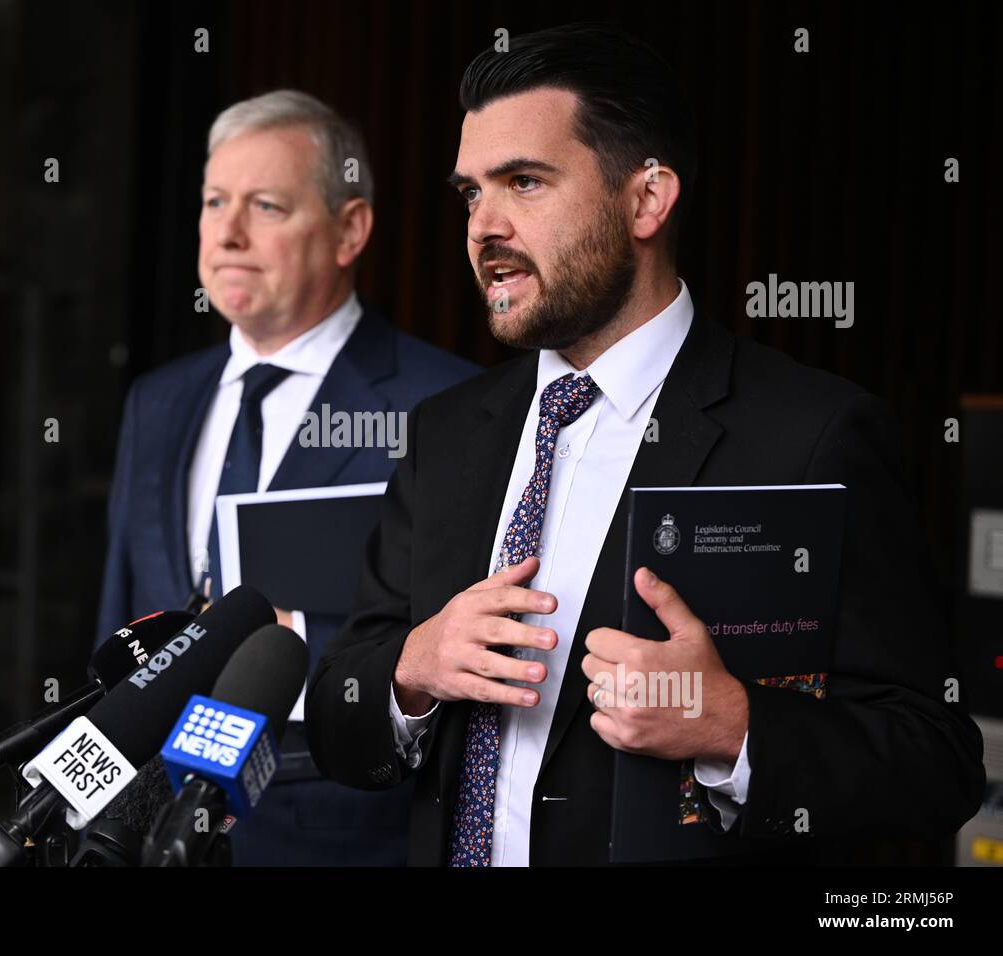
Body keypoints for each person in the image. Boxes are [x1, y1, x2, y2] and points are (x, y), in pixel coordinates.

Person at [304, 24, 985, 866]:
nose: (484, 225)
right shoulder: (445, 433)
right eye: (470, 193)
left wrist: (734, 726)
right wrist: (411, 671)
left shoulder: (814, 435)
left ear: (647, 199)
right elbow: (339, 729)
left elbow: (937, 764)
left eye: (524, 182)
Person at [97, 89, 477, 865]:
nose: (228, 233)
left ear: (349, 230)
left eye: (266, 205)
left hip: (345, 835)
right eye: (213, 202)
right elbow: (123, 611)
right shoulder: (157, 400)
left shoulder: (450, 406)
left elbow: (465, 648)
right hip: (145, 833)